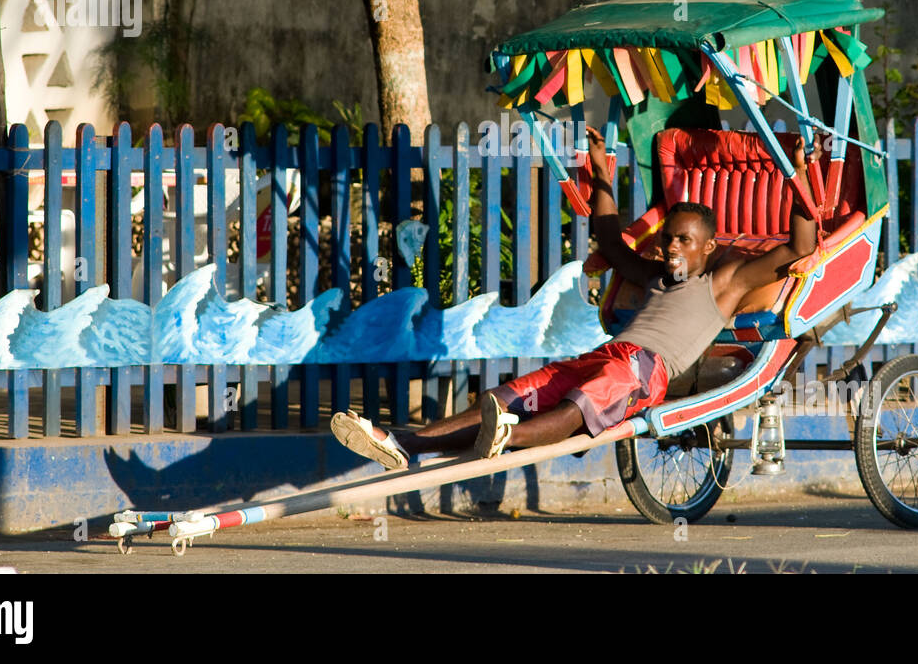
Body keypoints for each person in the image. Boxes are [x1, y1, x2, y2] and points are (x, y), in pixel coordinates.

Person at [331, 124, 819, 469]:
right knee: (502, 396)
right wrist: (602, 176)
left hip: (642, 371)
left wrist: (798, 177)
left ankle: (511, 436)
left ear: (709, 247)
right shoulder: (652, 273)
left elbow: (798, 247)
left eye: (684, 241)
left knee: (573, 409)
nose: (671, 246)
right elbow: (610, 241)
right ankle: (403, 443)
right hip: (602, 355)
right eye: (669, 237)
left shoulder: (724, 283)